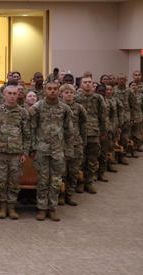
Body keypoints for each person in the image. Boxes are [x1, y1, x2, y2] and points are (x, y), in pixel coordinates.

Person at [30, 82, 74, 221]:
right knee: (43, 180)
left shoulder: (65, 109)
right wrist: (32, 148)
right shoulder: (37, 107)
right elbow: (32, 128)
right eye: (49, 89)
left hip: (58, 150)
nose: (53, 91)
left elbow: (69, 131)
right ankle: (42, 208)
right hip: (41, 149)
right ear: (45, 90)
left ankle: (52, 208)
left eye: (55, 89)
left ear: (59, 91)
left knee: (56, 181)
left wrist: (69, 150)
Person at [0, 86, 31, 219]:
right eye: (9, 93)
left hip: (16, 152)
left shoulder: (23, 112)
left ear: (18, 95)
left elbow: (26, 133)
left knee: (14, 181)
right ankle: (2, 206)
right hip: (0, 151)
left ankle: (12, 206)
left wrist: (25, 152)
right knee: (1, 180)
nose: (12, 96)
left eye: (14, 93)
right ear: (4, 94)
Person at [73, 77, 106, 194]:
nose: (87, 84)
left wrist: (103, 132)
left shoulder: (98, 98)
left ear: (93, 84)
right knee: (80, 160)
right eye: (85, 82)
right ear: (80, 85)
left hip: (94, 132)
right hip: (79, 133)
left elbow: (103, 116)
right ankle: (80, 182)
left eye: (89, 82)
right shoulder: (76, 98)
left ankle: (89, 182)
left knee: (92, 159)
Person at [60, 84, 86, 207]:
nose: (69, 94)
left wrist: (83, 141)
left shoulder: (79, 108)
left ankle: (69, 194)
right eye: (66, 92)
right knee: (62, 171)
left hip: (76, 142)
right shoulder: (59, 107)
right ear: (61, 94)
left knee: (74, 170)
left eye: (71, 92)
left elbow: (83, 125)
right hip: (61, 143)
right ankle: (61, 194)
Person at [114, 74, 134, 162]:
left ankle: (122, 156)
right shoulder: (113, 90)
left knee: (125, 138)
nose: (121, 80)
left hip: (126, 117)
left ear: (126, 80)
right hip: (115, 118)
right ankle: (114, 157)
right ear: (117, 80)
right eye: (119, 79)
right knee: (114, 138)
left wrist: (132, 118)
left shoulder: (130, 91)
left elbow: (133, 105)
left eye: (123, 79)